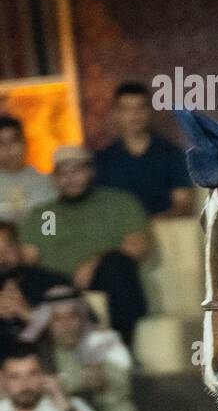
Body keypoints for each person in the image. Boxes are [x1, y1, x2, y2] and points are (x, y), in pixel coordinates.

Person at [18, 144, 150, 347]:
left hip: (105, 277)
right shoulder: (47, 215)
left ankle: (122, 347)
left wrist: (94, 263)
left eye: (77, 170)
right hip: (56, 282)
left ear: (91, 171)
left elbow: (137, 248)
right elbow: (30, 257)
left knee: (118, 264)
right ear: (54, 178)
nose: (70, 178)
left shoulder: (118, 203)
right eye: (63, 173)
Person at [22, 284, 138, 411]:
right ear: (47, 322)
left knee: (122, 410)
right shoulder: (40, 350)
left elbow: (119, 382)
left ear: (82, 317)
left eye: (72, 316)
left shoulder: (104, 340)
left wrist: (66, 381)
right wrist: (82, 378)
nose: (66, 324)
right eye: (58, 319)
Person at [94, 82, 194, 217]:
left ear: (149, 111)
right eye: (126, 109)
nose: (134, 115)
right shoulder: (104, 159)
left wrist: (150, 226)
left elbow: (183, 205)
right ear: (116, 114)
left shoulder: (172, 154)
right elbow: (99, 205)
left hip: (163, 229)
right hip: (119, 232)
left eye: (140, 108)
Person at [0, 220, 70, 356]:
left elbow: (78, 333)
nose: (1, 259)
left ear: (19, 246)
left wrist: (28, 314)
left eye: (7, 250)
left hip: (47, 363)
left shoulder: (53, 282)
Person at [0, 114, 55, 222]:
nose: (9, 149)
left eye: (14, 141)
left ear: (24, 143)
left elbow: (51, 228)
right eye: (1, 143)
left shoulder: (46, 183)